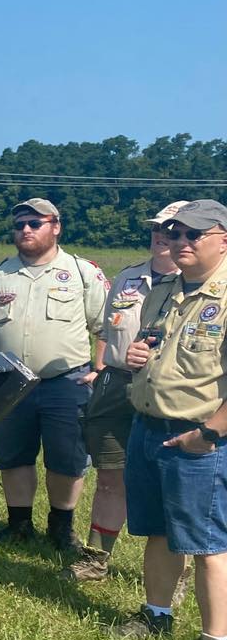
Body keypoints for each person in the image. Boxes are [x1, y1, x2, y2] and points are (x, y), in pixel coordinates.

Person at [111, 199, 227, 640]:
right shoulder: (165, 290)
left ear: (223, 238)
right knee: (157, 532)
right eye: (174, 234)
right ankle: (156, 614)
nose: (179, 242)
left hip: (198, 438)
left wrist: (210, 434)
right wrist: (138, 354)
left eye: (192, 235)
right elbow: (156, 344)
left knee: (207, 543)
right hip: (149, 428)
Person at [0, 199, 108, 562]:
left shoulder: (81, 272)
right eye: (19, 224)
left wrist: (100, 368)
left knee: (67, 459)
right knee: (12, 457)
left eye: (35, 223)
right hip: (9, 383)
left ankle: (61, 526)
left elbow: (105, 326)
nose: (25, 230)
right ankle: (19, 524)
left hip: (66, 381)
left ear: (56, 226)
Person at [71, 203, 185, 581]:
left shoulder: (199, 286)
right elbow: (107, 331)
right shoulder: (128, 278)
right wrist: (100, 368)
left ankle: (178, 571)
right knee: (109, 475)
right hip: (118, 384)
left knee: (171, 480)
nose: (161, 234)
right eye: (157, 227)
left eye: (172, 228)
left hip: (170, 391)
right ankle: (96, 558)